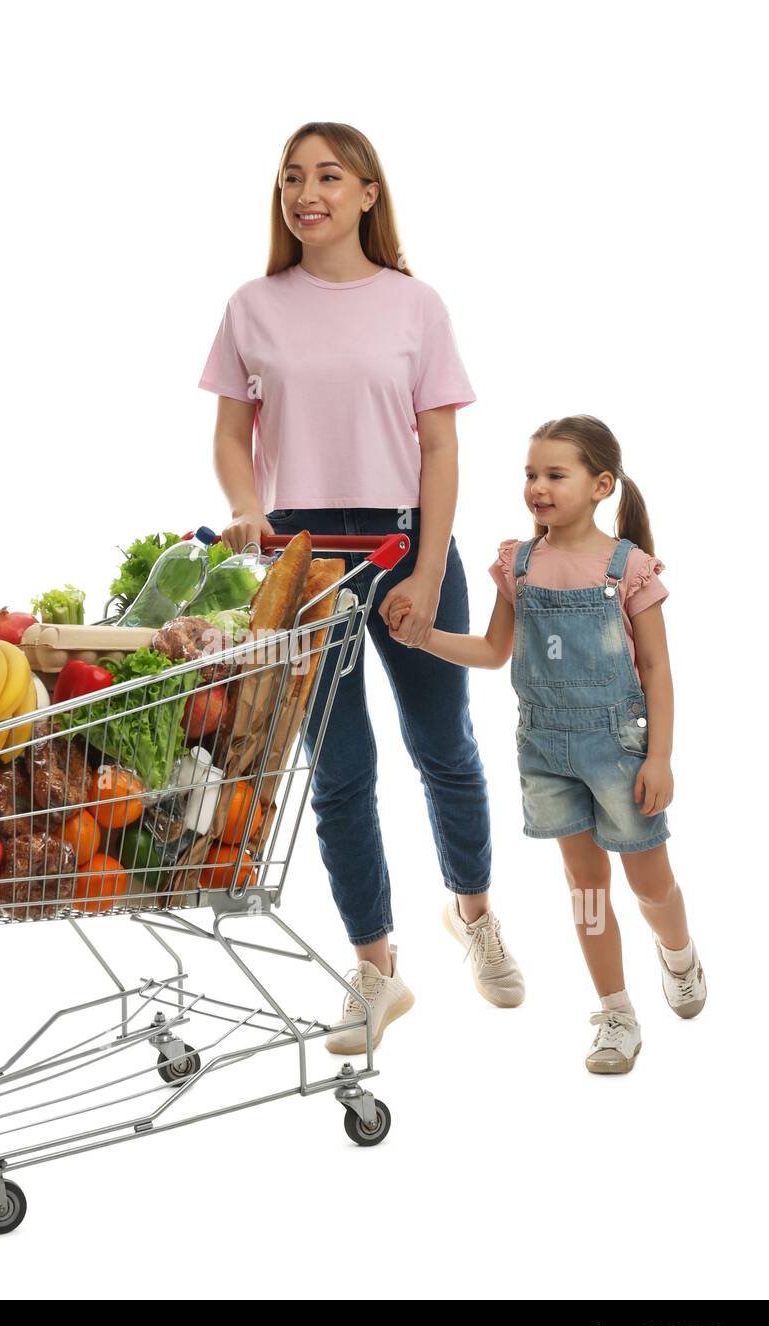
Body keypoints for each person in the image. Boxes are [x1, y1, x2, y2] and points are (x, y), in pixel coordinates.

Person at [198, 121, 524, 1053]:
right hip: (302, 563)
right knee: (339, 774)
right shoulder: (253, 304)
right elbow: (232, 435)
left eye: (330, 176)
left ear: (369, 193)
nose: (308, 193)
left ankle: (473, 911)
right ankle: (377, 968)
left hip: (404, 548)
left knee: (445, 746)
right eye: (293, 177)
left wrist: (425, 571)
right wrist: (244, 504)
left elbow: (440, 446)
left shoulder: (415, 306)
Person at [385, 414, 706, 1073]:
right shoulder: (518, 564)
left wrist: (661, 756)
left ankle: (678, 953)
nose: (538, 486)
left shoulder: (628, 569)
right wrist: (424, 638)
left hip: (619, 753)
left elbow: (657, 670)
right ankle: (616, 1014)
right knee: (585, 885)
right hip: (546, 755)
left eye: (556, 474)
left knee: (651, 886)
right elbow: (494, 650)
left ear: (600, 485)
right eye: (531, 474)